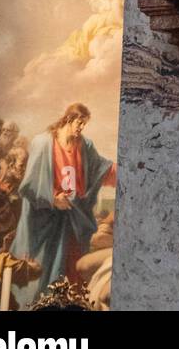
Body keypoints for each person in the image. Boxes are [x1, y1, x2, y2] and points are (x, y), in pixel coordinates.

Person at [10, 103, 115, 309]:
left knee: (73, 271)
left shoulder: (84, 145)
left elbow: (101, 168)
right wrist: (52, 199)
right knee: (43, 273)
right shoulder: (43, 143)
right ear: (68, 119)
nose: (81, 128)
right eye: (79, 123)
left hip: (71, 220)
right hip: (45, 221)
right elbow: (29, 186)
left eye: (84, 124)